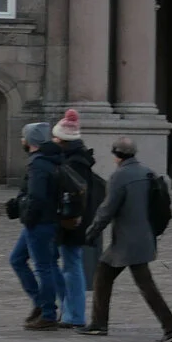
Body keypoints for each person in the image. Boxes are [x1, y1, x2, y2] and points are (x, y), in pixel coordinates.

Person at [80, 137, 172, 342]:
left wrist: (92, 232)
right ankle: (99, 323)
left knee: (145, 284)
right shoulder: (147, 172)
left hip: (129, 241)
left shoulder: (120, 176)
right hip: (142, 236)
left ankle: (171, 328)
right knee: (104, 274)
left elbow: (107, 209)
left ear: (116, 155)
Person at [7, 122, 64, 330]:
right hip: (43, 221)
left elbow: (37, 197)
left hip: (40, 222)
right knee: (17, 259)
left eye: (24, 137)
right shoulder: (46, 160)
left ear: (31, 141)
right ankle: (40, 303)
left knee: (44, 267)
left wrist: (26, 214)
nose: (22, 140)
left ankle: (48, 313)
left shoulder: (38, 163)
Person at [51, 110, 99, 330]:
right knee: (69, 264)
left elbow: (73, 194)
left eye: (55, 138)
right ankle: (70, 311)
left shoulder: (74, 162)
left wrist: (68, 217)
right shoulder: (78, 158)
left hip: (73, 220)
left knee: (72, 265)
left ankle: (75, 314)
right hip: (77, 219)